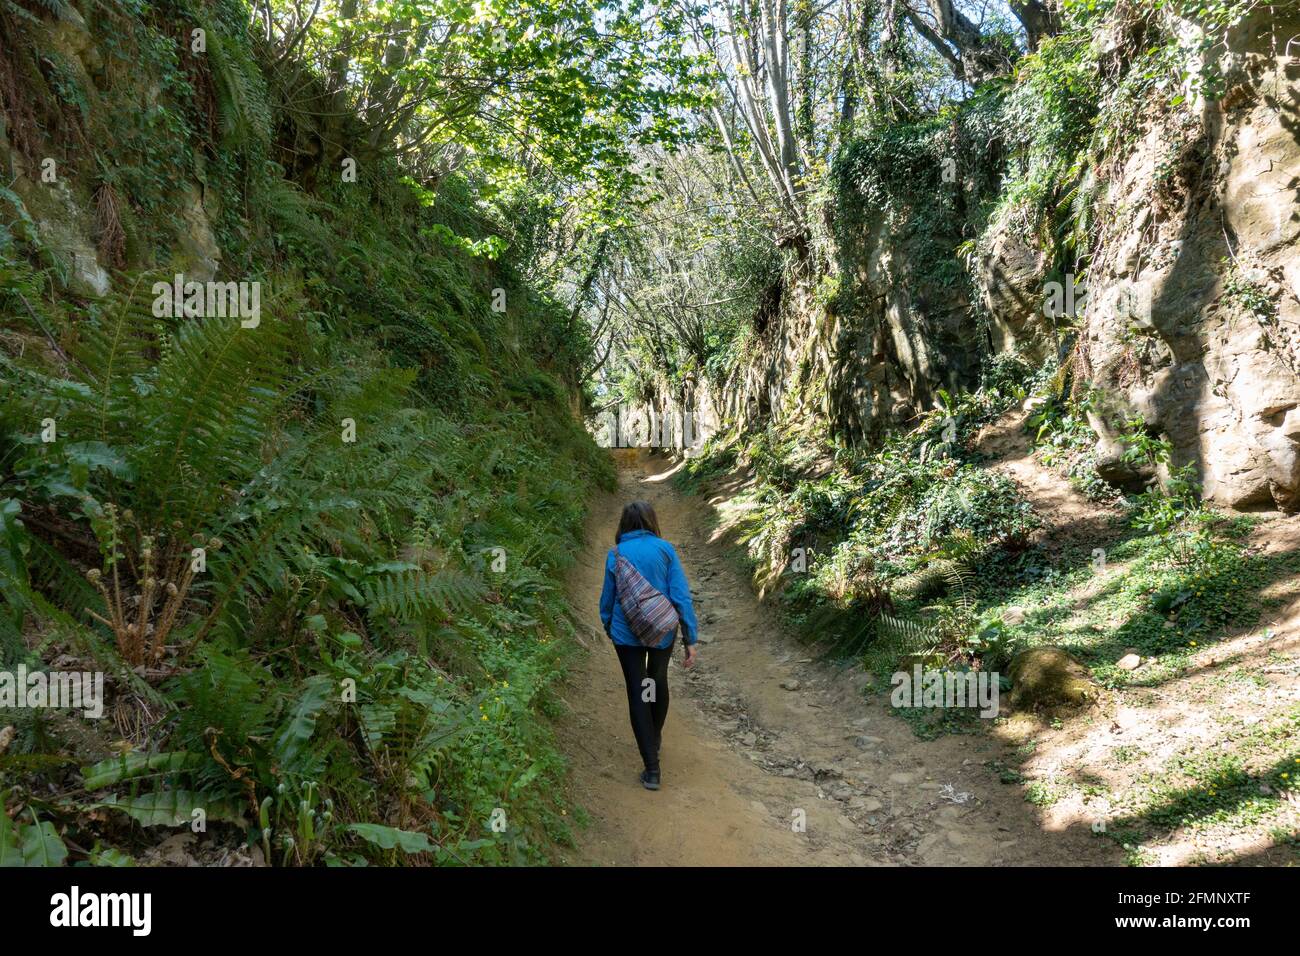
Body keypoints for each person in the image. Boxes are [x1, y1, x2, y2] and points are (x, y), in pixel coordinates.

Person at [599, 500, 699, 791]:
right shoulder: (665, 549)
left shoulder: (615, 554)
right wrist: (689, 637)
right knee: (655, 681)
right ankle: (653, 738)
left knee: (638, 690)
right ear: (651, 521)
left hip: (626, 633)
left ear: (624, 525)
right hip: (662, 631)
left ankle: (652, 769)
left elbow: (607, 601)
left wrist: (610, 626)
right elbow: (681, 595)